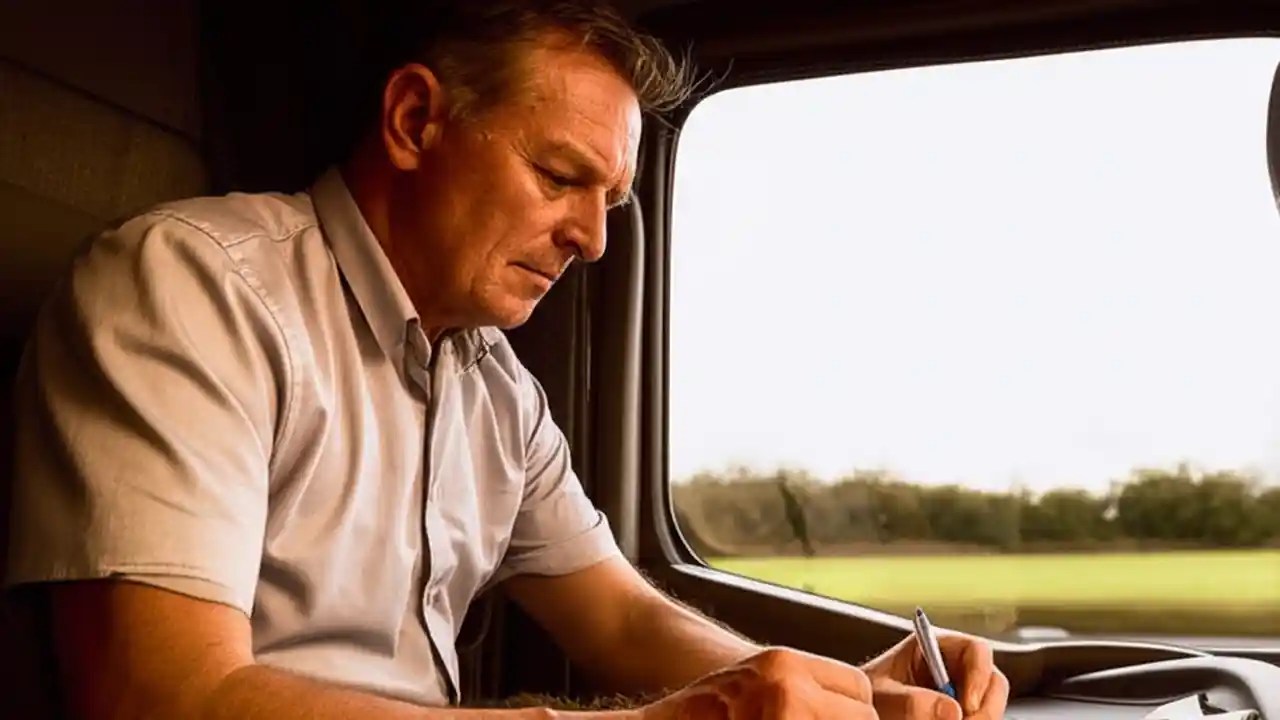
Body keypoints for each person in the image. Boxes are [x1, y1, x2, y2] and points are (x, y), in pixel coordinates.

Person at [4, 2, 1010, 718]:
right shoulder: (196, 288)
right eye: (559, 177)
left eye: (607, 203)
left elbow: (617, 618)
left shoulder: (496, 391)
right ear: (413, 122)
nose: (593, 240)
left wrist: (845, 687)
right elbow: (160, 696)